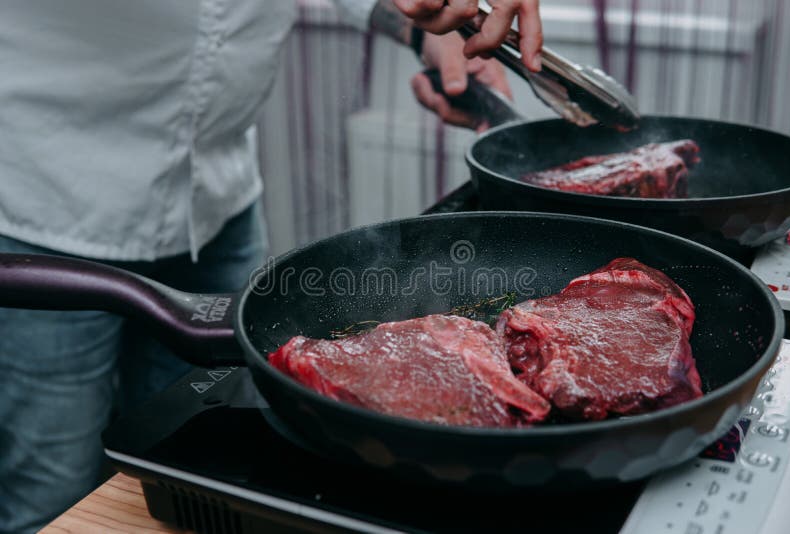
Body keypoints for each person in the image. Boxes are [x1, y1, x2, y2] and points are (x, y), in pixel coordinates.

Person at [0, 1, 543, 532]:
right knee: (51, 479)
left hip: (217, 196)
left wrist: (426, 33)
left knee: (191, 453)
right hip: (55, 202)